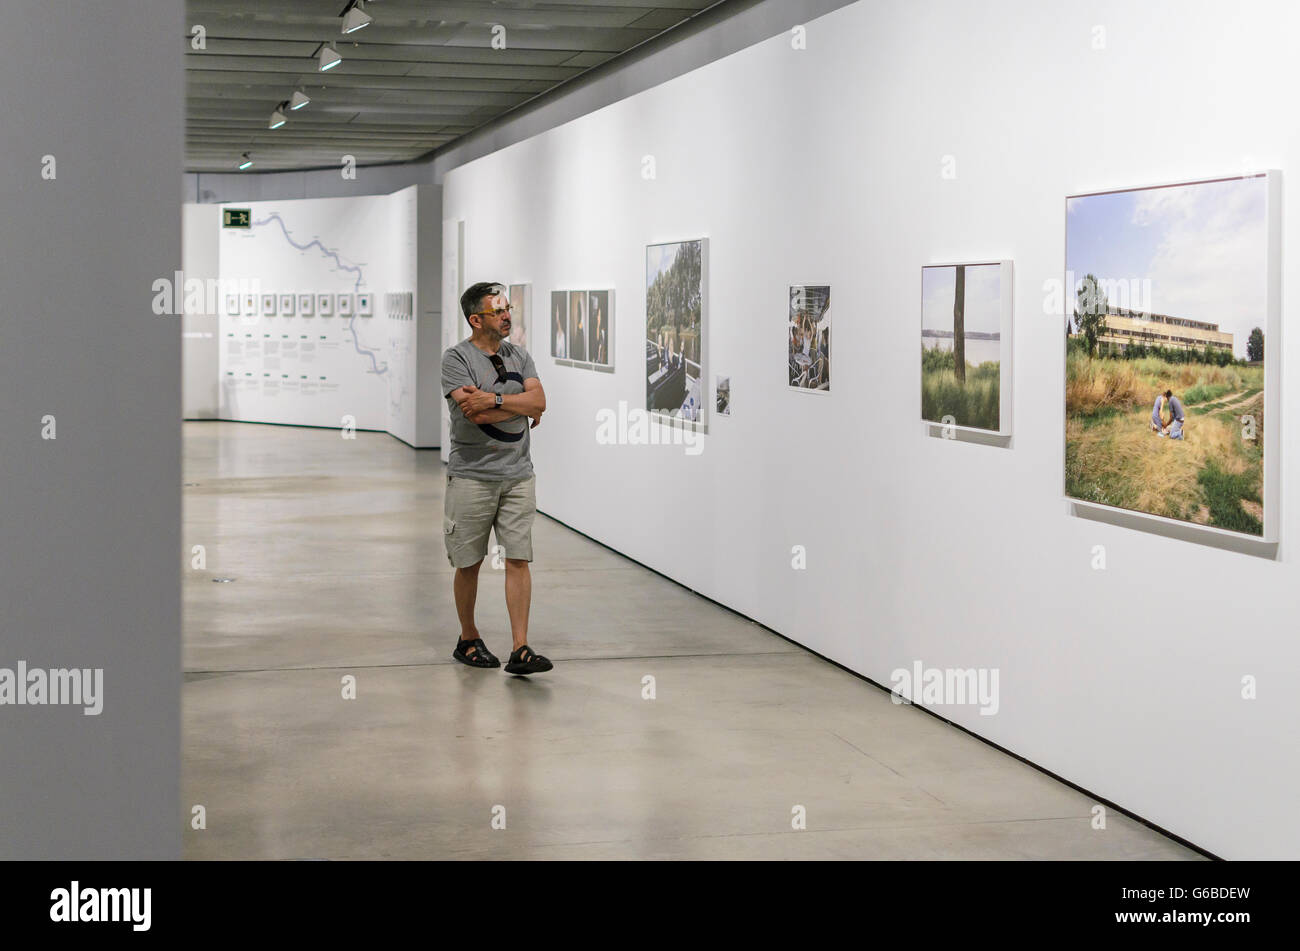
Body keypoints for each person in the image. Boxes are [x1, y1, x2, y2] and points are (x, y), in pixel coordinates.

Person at [442, 281, 553, 675]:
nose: (507, 316)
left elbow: (539, 402)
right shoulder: (456, 359)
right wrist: (517, 407)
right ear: (476, 319)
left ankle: (520, 647)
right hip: (472, 476)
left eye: (508, 310)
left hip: (518, 475)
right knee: (469, 562)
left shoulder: (520, 355)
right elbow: (475, 413)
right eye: (498, 311)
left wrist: (497, 399)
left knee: (518, 559)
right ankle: (468, 637)